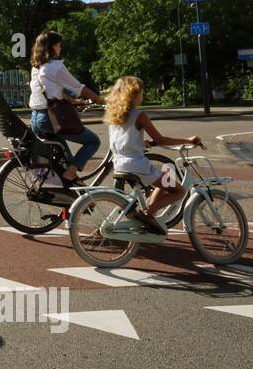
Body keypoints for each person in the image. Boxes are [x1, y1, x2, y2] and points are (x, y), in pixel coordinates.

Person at [106, 76, 202, 232]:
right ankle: (148, 213)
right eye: (142, 92)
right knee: (179, 190)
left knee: (167, 172)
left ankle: (149, 213)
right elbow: (161, 139)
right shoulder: (139, 114)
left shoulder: (114, 115)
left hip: (119, 163)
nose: (143, 96)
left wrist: (145, 143)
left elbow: (125, 139)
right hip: (137, 165)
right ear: (134, 94)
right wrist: (189, 140)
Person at [28, 30, 103, 184]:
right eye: (59, 45)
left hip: (36, 119)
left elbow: (52, 93)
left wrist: (73, 101)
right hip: (52, 119)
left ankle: (74, 200)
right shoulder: (55, 66)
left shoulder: (36, 68)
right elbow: (79, 88)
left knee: (67, 164)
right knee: (93, 141)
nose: (60, 48)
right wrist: (101, 100)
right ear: (52, 47)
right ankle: (71, 178)